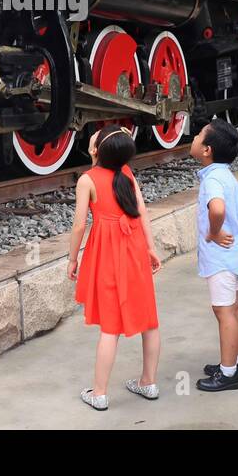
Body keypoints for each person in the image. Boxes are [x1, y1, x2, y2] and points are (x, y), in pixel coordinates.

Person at [68, 125, 162, 410]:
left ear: (95, 150)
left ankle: (99, 393)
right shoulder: (127, 173)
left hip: (107, 252)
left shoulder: (87, 180)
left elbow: (80, 224)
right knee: (149, 318)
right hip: (133, 246)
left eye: (96, 138)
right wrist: (150, 247)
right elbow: (142, 211)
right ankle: (149, 382)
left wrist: (73, 259)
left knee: (110, 325)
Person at [190, 118, 238, 391]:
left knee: (223, 311)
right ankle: (236, 361)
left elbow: (217, 209)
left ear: (207, 150)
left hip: (220, 255)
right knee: (234, 310)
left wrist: (213, 232)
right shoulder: (224, 174)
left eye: (200, 135)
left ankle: (227, 374)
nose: (195, 136)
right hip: (232, 254)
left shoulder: (213, 178)